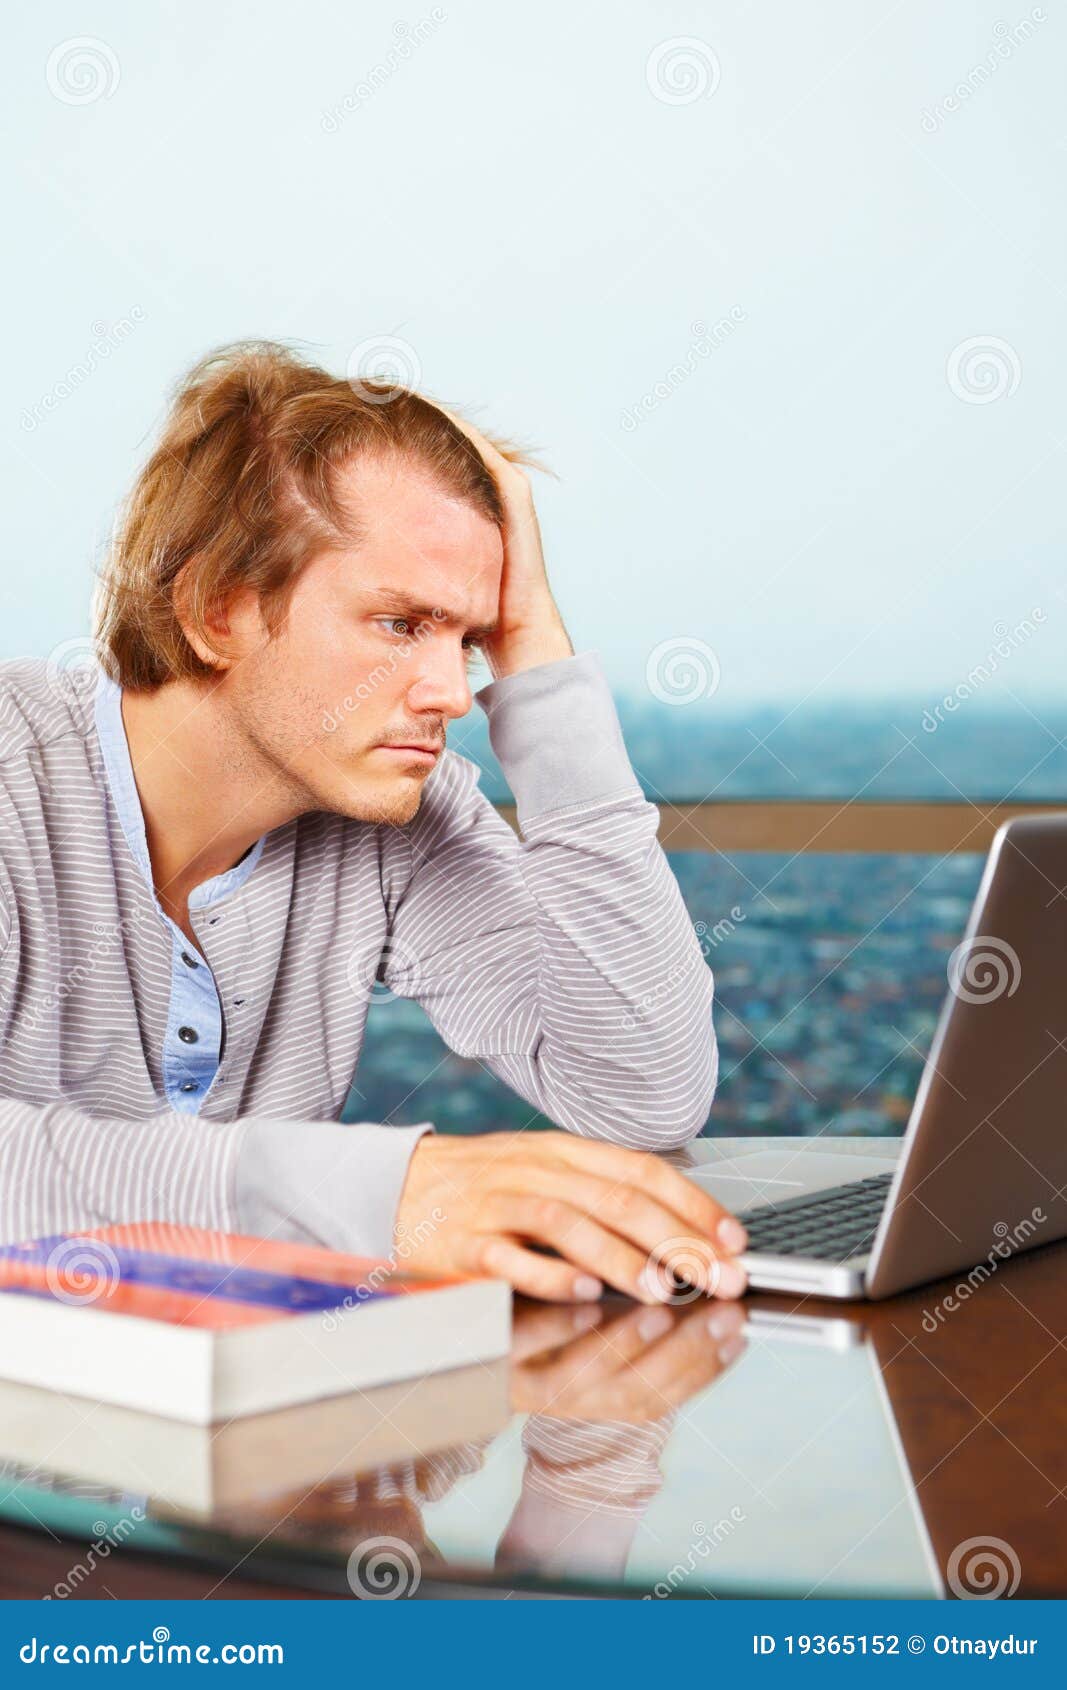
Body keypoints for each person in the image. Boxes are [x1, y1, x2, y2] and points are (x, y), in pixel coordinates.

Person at [0, 340, 747, 1302]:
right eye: (400, 625)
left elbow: (642, 1096)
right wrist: (381, 1193)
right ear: (216, 611)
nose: (452, 695)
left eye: (468, 640)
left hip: (236, 1390)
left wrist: (536, 650)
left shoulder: (399, 811)